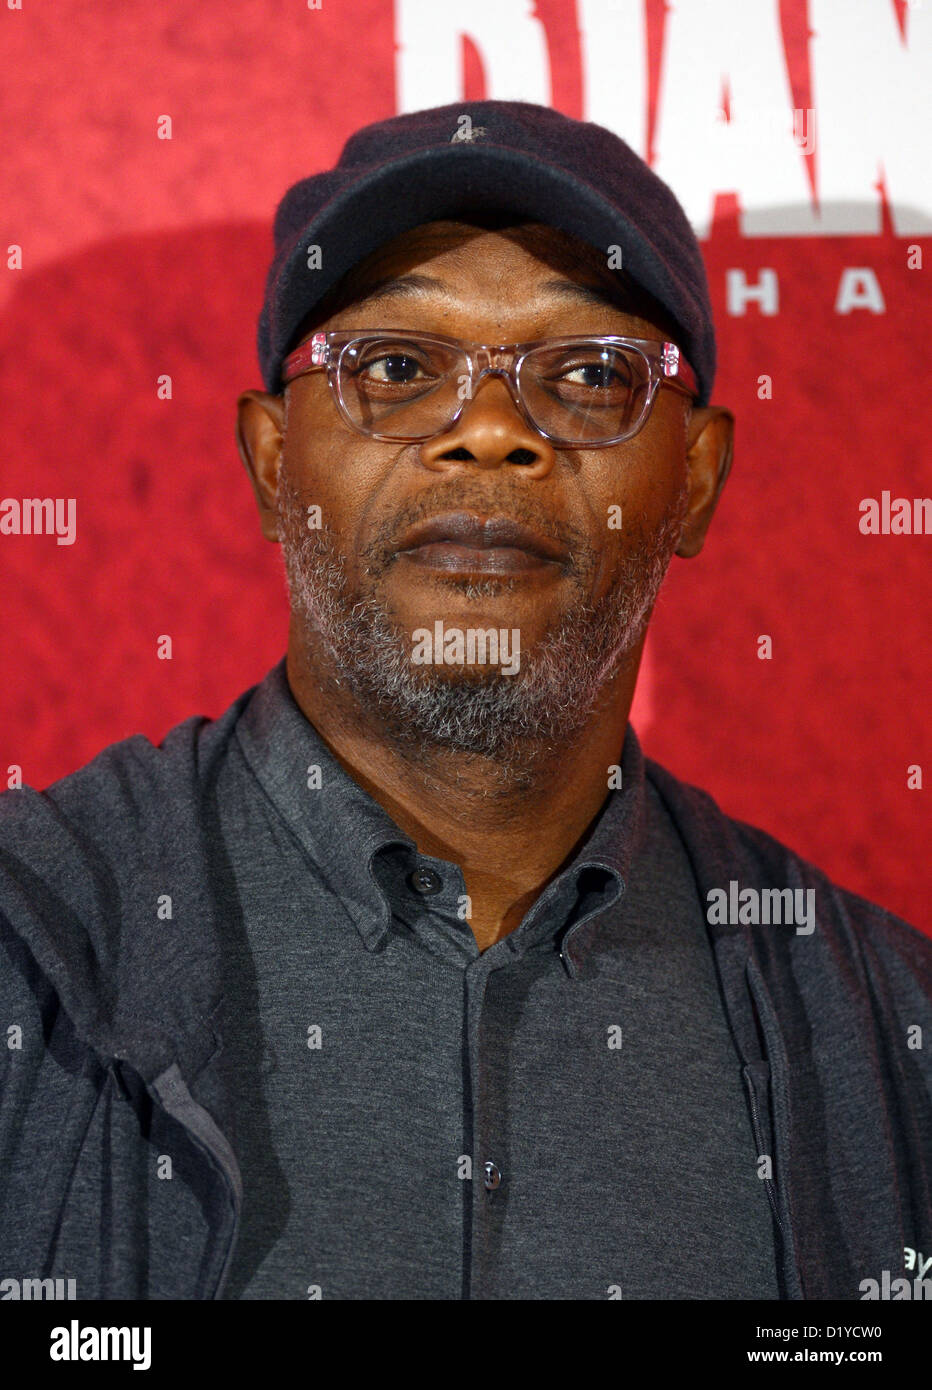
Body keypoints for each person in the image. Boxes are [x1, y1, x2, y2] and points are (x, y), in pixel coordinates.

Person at [0, 101, 929, 1303]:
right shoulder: (32, 945)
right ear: (275, 464)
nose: (489, 432)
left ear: (694, 482)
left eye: (589, 374)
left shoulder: (884, 1032)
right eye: (394, 368)